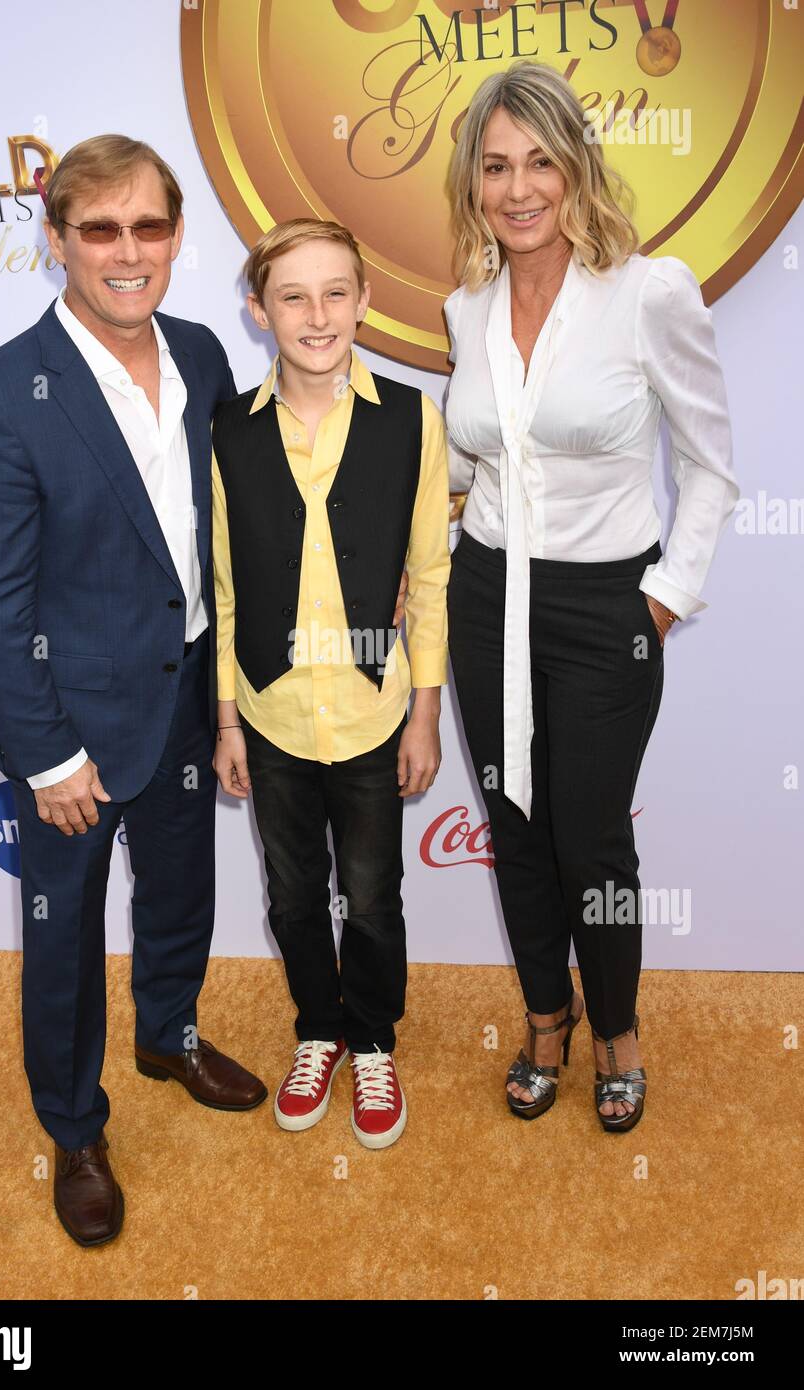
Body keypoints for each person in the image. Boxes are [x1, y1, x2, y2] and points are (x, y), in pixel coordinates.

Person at [0, 134, 266, 1247]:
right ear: (58, 241)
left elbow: (225, 533)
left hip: (187, 698)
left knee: (182, 893)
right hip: (70, 725)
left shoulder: (204, 354)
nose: (129, 252)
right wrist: (46, 754)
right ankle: (76, 1128)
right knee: (66, 938)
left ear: (176, 236)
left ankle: (170, 1035)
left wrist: (229, 700)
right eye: (101, 229)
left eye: (149, 227)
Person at [442, 63, 739, 1131]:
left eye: (540, 163)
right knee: (513, 825)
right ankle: (545, 1017)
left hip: (606, 605)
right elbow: (476, 457)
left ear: (575, 167)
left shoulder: (649, 293)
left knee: (592, 837)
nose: (519, 189)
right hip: (487, 594)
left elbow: (710, 465)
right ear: (473, 184)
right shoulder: (466, 306)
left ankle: (616, 1027)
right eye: (496, 167)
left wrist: (659, 601)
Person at [211, 219, 451, 1149]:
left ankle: (374, 1037)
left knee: (374, 892)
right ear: (259, 312)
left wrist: (424, 715)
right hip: (270, 710)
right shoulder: (229, 429)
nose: (317, 316)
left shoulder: (412, 420)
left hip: (372, 710)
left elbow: (429, 576)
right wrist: (227, 722)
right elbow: (226, 590)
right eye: (293, 297)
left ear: (364, 301)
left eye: (335, 293)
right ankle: (319, 1029)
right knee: (293, 895)